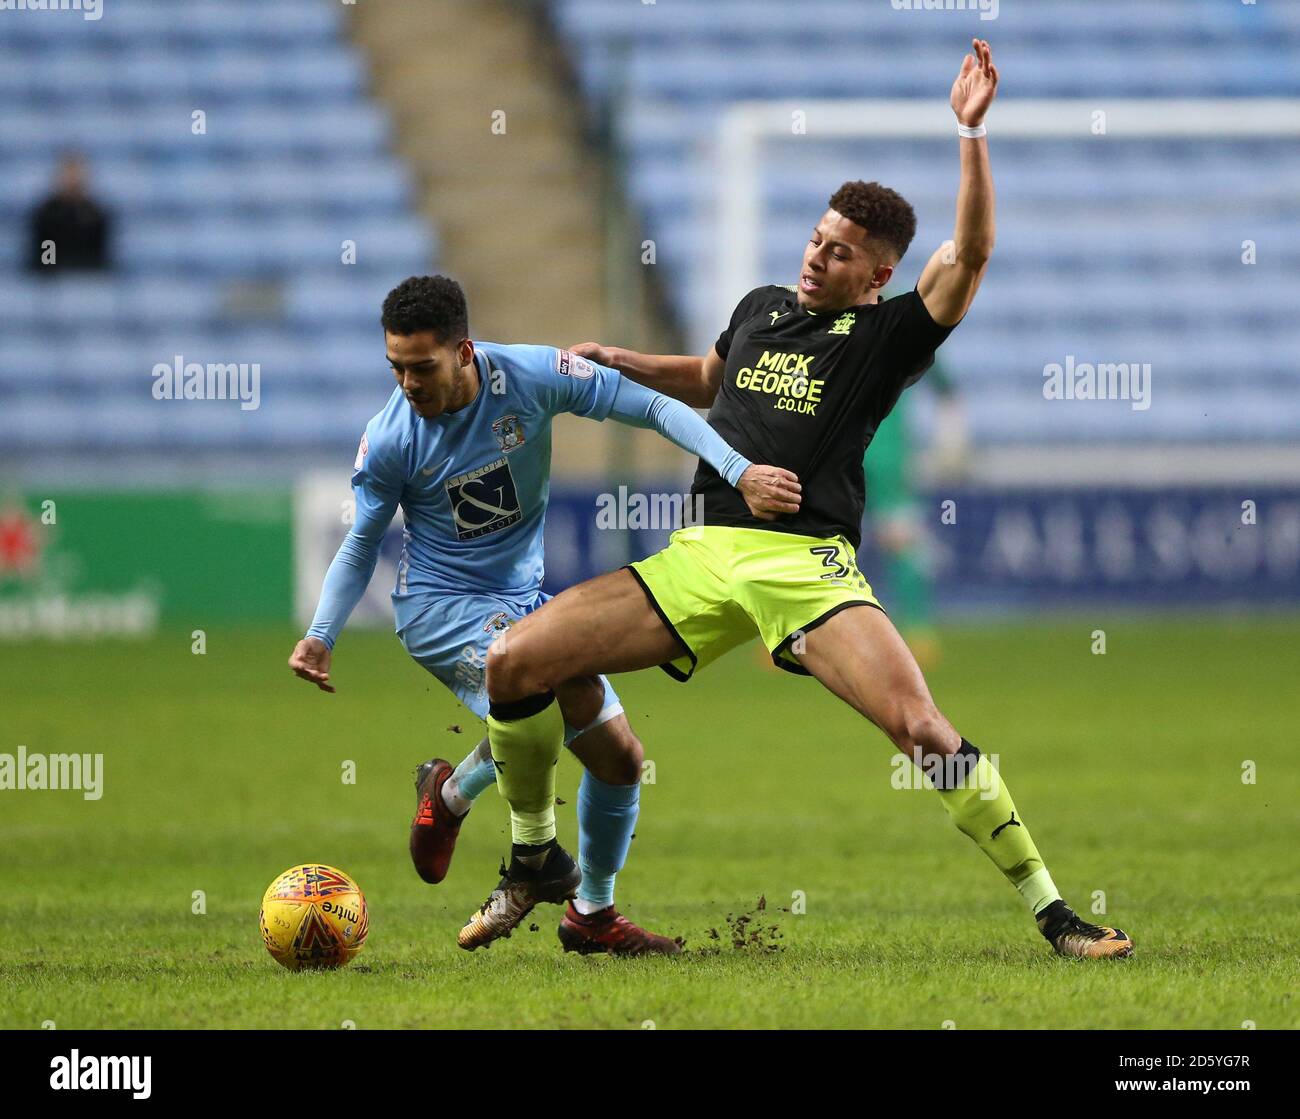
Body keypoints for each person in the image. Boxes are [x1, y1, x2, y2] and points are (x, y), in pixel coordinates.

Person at [471, 41, 1133, 959]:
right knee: (513, 662)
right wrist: (628, 361)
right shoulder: (760, 307)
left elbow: (973, 252)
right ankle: (539, 861)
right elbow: (711, 377)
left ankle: (1056, 914)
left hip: (806, 569)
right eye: (817, 239)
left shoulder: (885, 335)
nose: (819, 258)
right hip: (699, 557)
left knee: (921, 727)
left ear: (878, 276)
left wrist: (969, 130)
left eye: (842, 253)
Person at [287, 275, 799, 955]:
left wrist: (737, 469)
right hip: (441, 608)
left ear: (463, 351)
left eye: (422, 366)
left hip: (522, 598)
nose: (408, 383)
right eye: (396, 368)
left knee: (620, 759)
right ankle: (534, 851)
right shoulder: (390, 440)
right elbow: (360, 543)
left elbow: (649, 407)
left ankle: (579, 903)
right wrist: (321, 635)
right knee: (562, 688)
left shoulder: (531, 375)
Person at [27, 152, 112, 272]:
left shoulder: (96, 215)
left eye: (77, 176)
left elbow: (99, 257)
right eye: (68, 176)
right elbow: (45, 257)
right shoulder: (46, 215)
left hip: (87, 279)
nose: (73, 181)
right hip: (53, 277)